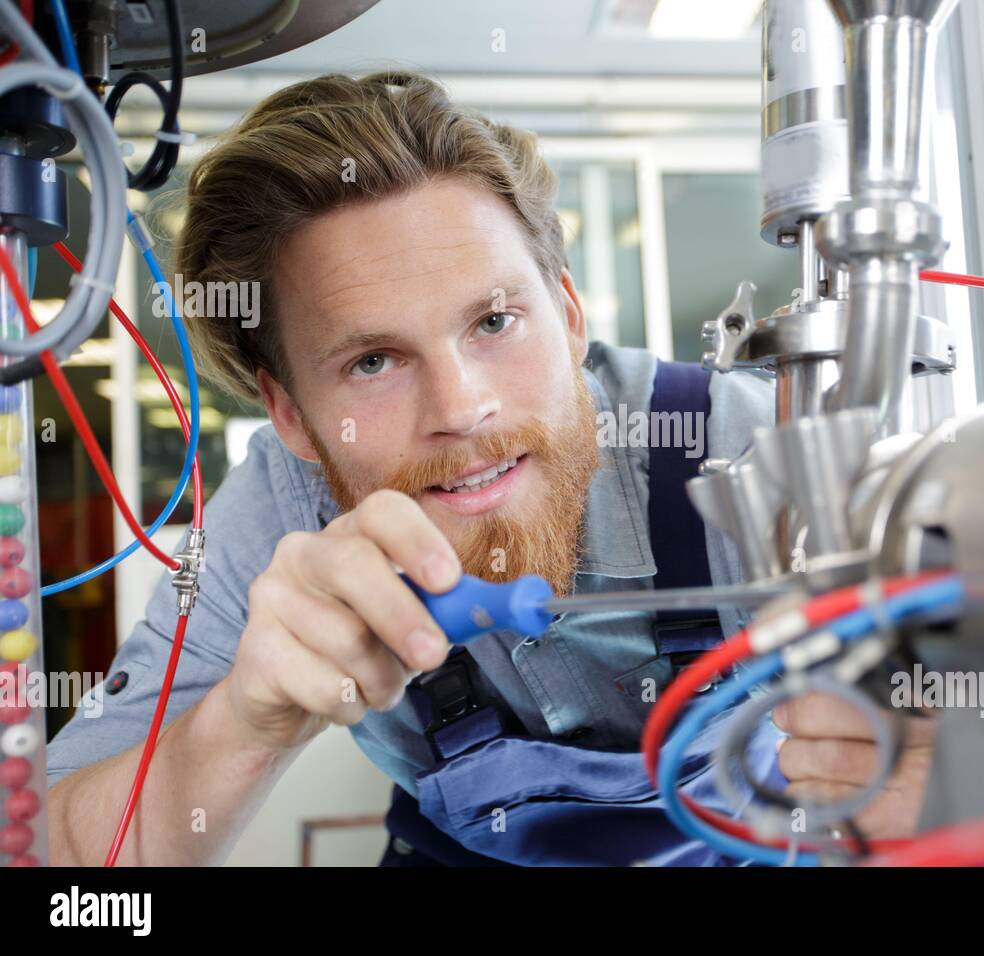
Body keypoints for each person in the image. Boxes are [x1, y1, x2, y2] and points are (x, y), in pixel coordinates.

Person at [44, 72, 935, 866]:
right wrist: (241, 723)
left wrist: (946, 801)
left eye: (496, 322)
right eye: (373, 362)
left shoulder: (751, 455)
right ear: (289, 416)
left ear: (570, 315)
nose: (461, 408)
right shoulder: (277, 523)